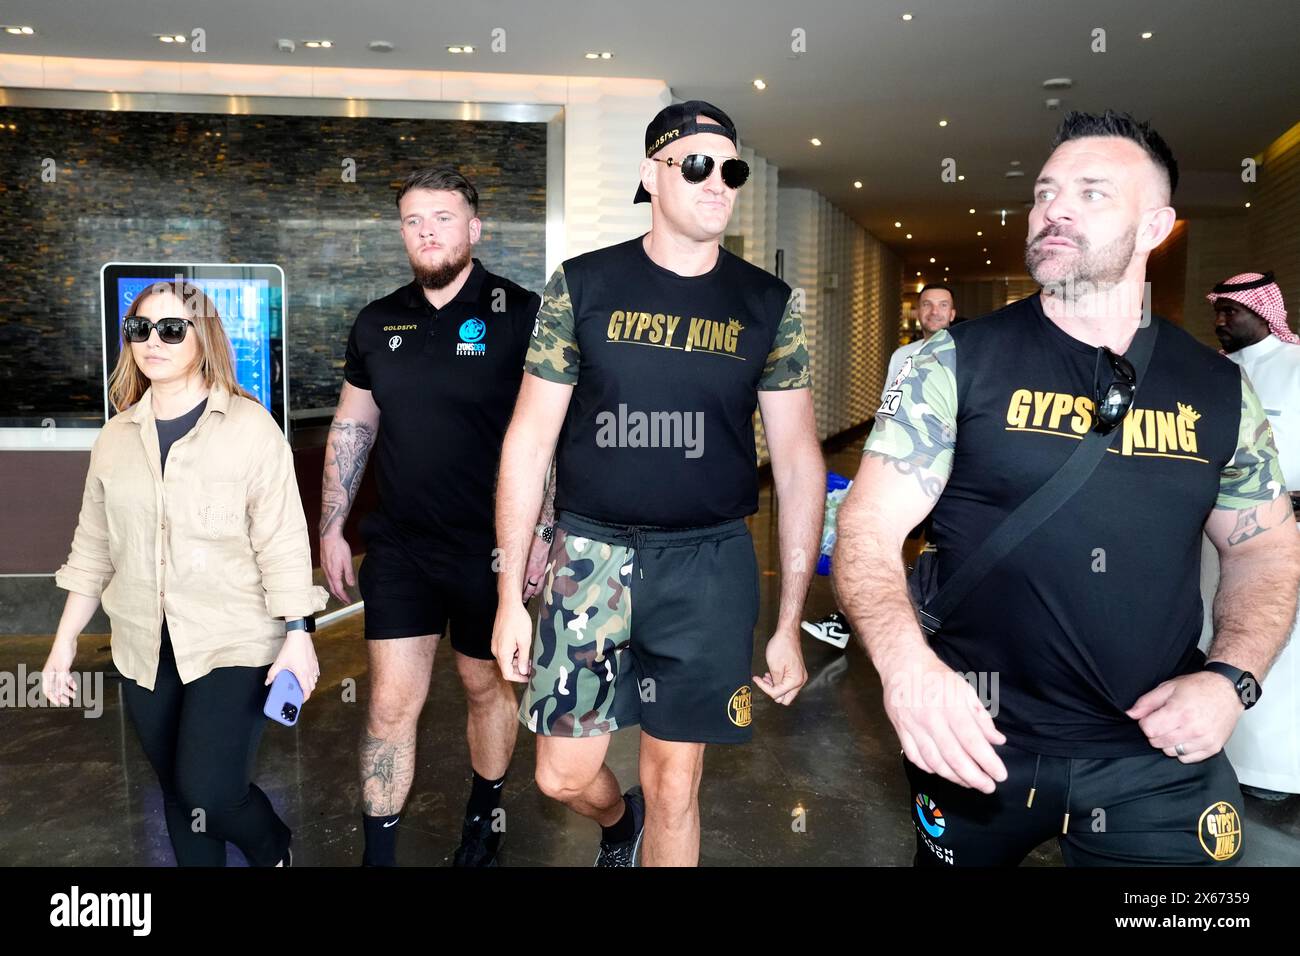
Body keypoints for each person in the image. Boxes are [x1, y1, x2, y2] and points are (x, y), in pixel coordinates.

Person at [835, 110, 1300, 866]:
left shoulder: (1220, 390)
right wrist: (907, 667)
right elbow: (866, 529)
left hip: (1156, 752)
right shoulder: (951, 364)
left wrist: (1231, 679)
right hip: (975, 738)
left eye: (1091, 193)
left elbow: (1267, 551)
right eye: (1046, 192)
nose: (1054, 209)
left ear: (1155, 225)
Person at [492, 100, 825, 866]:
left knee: (676, 785)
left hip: (708, 566)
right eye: (697, 165)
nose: (718, 183)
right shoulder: (582, 286)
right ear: (651, 175)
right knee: (560, 775)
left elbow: (801, 460)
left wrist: (790, 618)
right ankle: (617, 821)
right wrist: (512, 594)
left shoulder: (769, 305)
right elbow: (529, 438)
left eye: (731, 169)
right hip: (589, 559)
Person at [44, 280, 326, 866]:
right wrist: (63, 642)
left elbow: (281, 540)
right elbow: (94, 547)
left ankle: (274, 847)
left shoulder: (250, 428)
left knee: (210, 791)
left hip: (234, 641)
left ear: (204, 338)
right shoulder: (115, 438)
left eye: (171, 329)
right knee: (178, 790)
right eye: (140, 329)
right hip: (144, 645)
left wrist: (299, 634)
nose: (153, 342)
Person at [320, 168, 547, 867]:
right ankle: (378, 857)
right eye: (414, 219)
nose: (428, 230)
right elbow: (352, 426)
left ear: (474, 229)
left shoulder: (522, 312)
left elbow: (553, 431)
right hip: (403, 545)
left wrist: (544, 530)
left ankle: (485, 812)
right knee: (389, 702)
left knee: (484, 685)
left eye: (443, 218)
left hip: (493, 546)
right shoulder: (376, 320)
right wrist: (332, 525)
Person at [802, 285, 957, 649]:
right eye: (927, 305)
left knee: (942, 549)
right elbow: (890, 411)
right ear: (918, 312)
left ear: (953, 313)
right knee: (877, 540)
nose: (934, 312)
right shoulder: (903, 356)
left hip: (944, 472)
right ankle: (848, 624)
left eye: (943, 306)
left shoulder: (962, 355)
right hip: (903, 469)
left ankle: (932, 631)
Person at [1199, 272, 1300, 802]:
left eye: (1230, 312)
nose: (1221, 322)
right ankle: (1214, 752)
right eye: (1217, 312)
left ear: (1265, 312)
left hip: (1289, 535)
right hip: (1215, 533)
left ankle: (1275, 774)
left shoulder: (1297, 367)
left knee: (1282, 653)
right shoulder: (1210, 373)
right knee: (1220, 633)